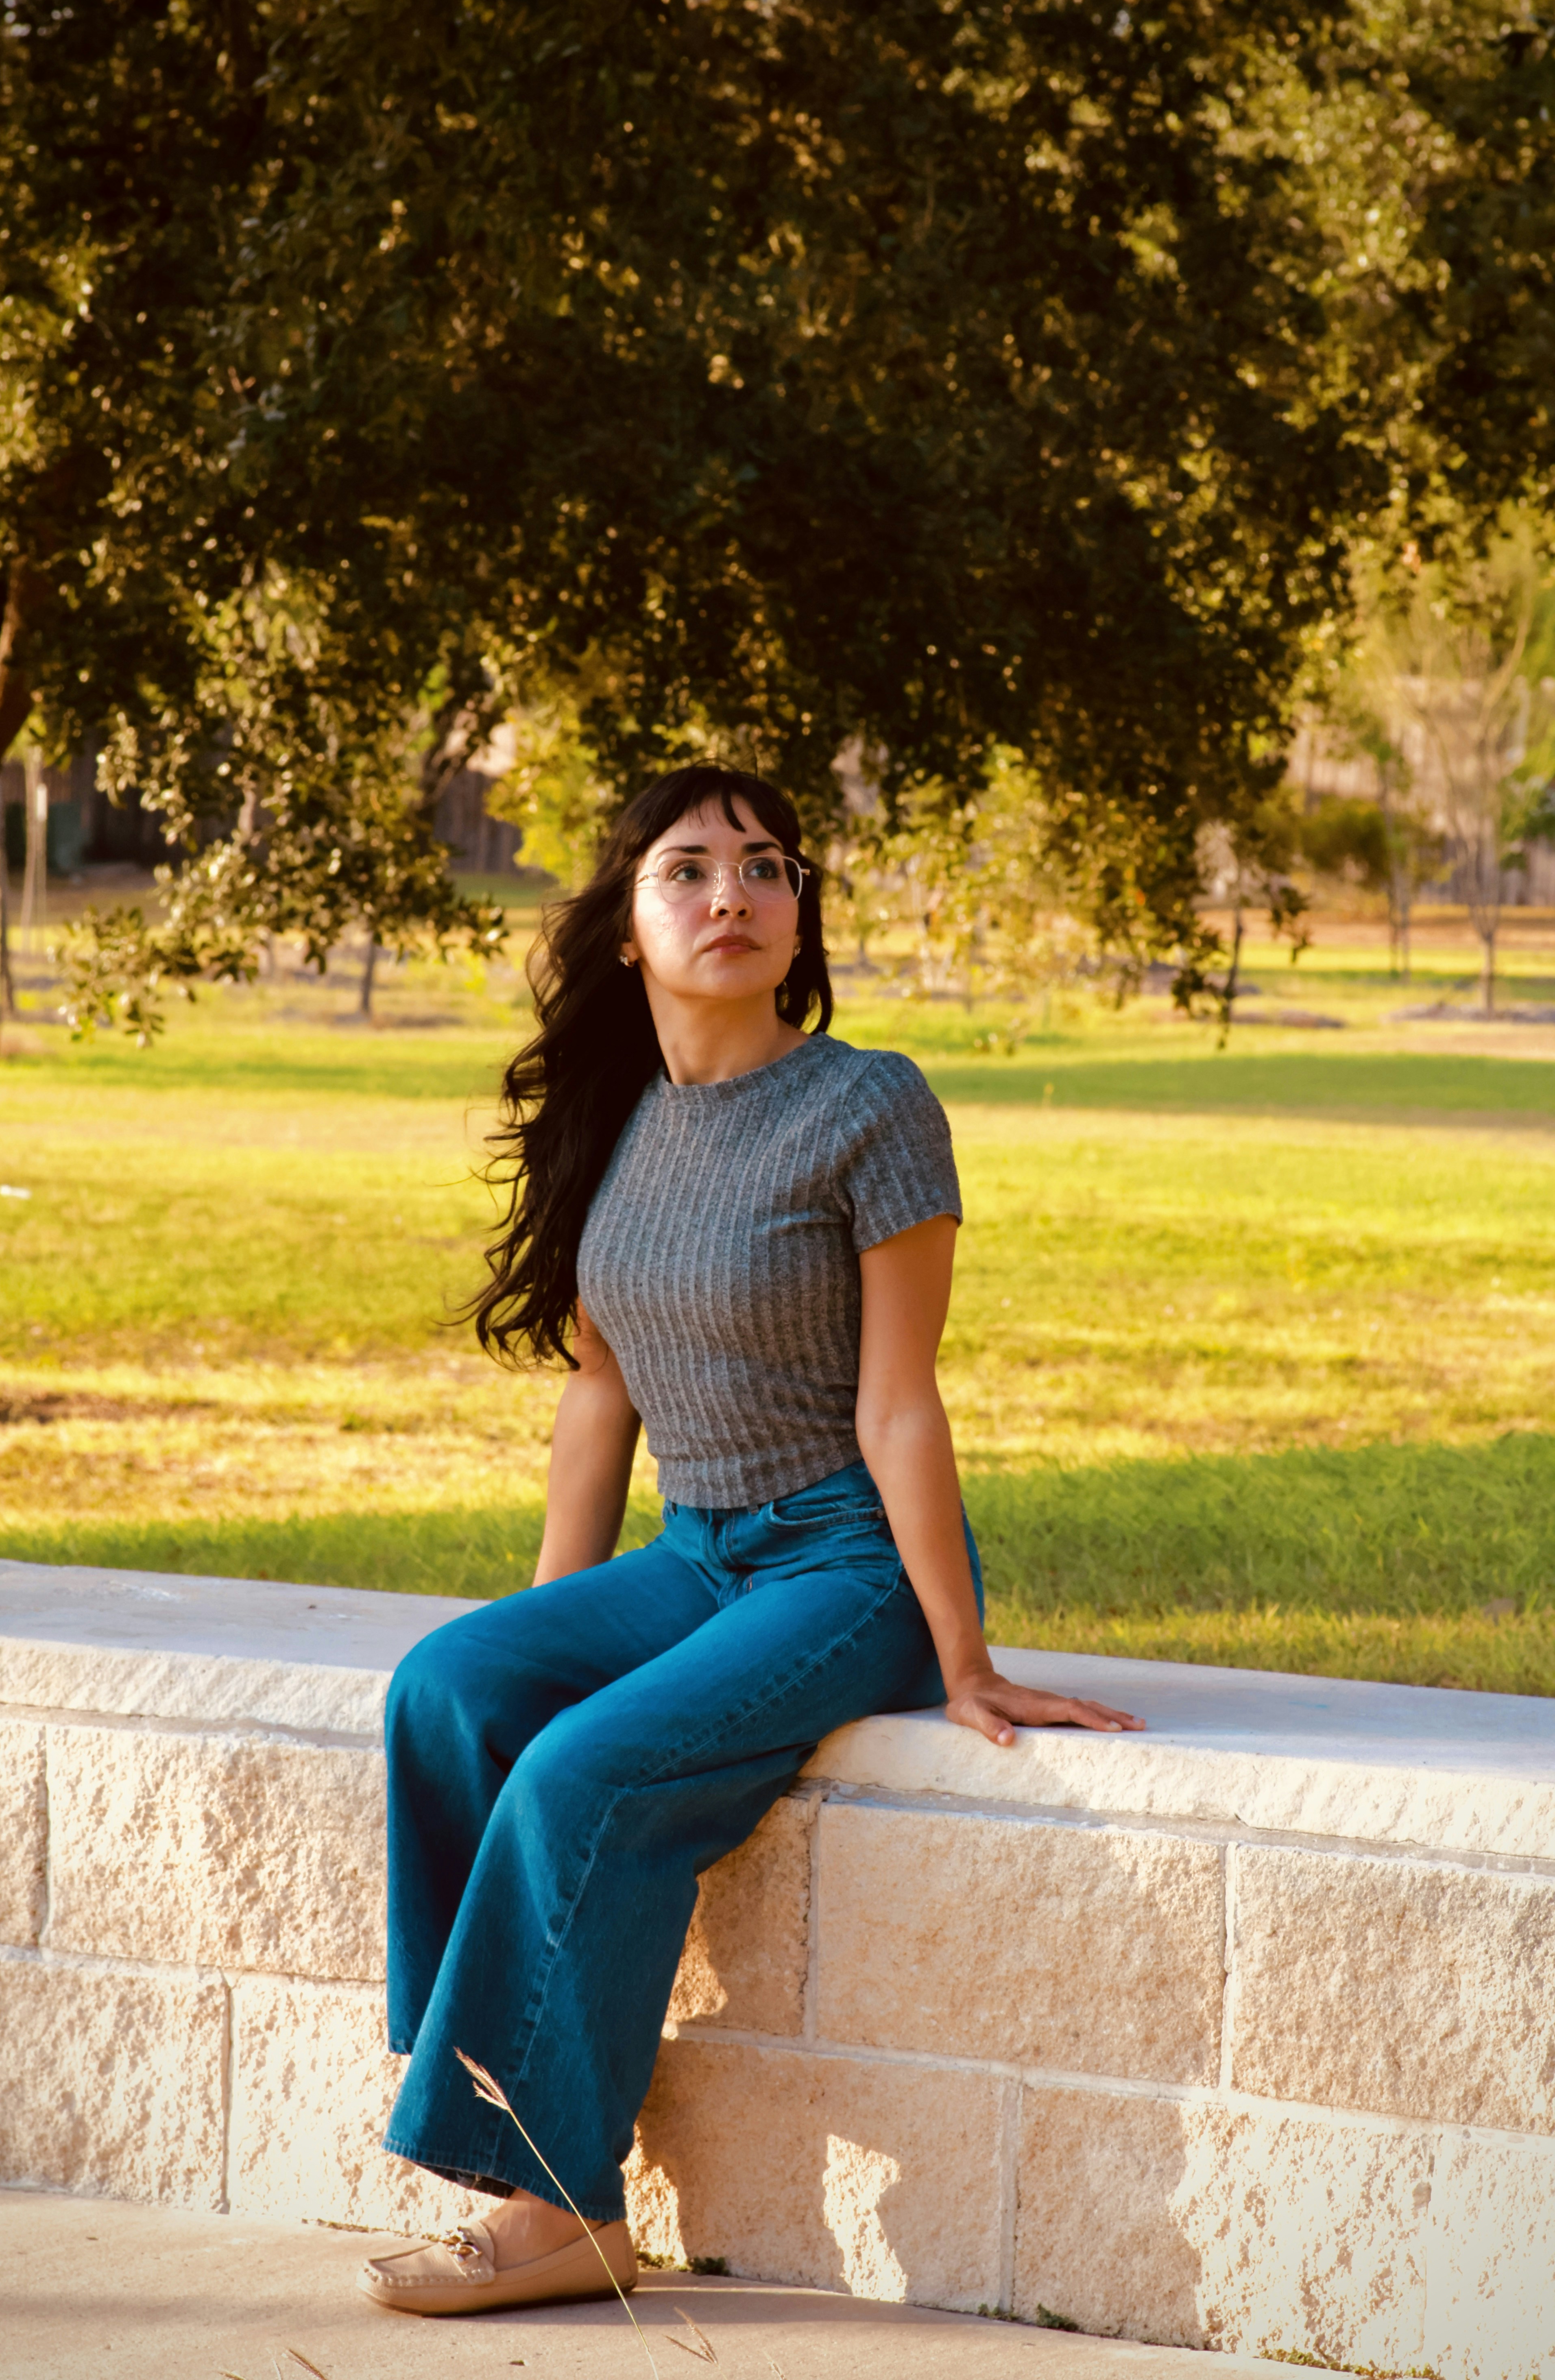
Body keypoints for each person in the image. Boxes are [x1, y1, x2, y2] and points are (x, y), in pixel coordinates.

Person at [358, 764, 1144, 2319]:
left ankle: (560, 2207)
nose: (734, 895)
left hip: (849, 1569)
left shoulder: (869, 1104)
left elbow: (903, 1409)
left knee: (586, 1775)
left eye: (767, 867)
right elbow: (603, 1401)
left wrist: (966, 1657)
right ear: (629, 926)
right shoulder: (619, 1124)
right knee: (451, 1692)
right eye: (690, 870)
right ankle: (486, 2092)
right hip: (696, 1552)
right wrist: (548, 1639)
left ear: (801, 915)